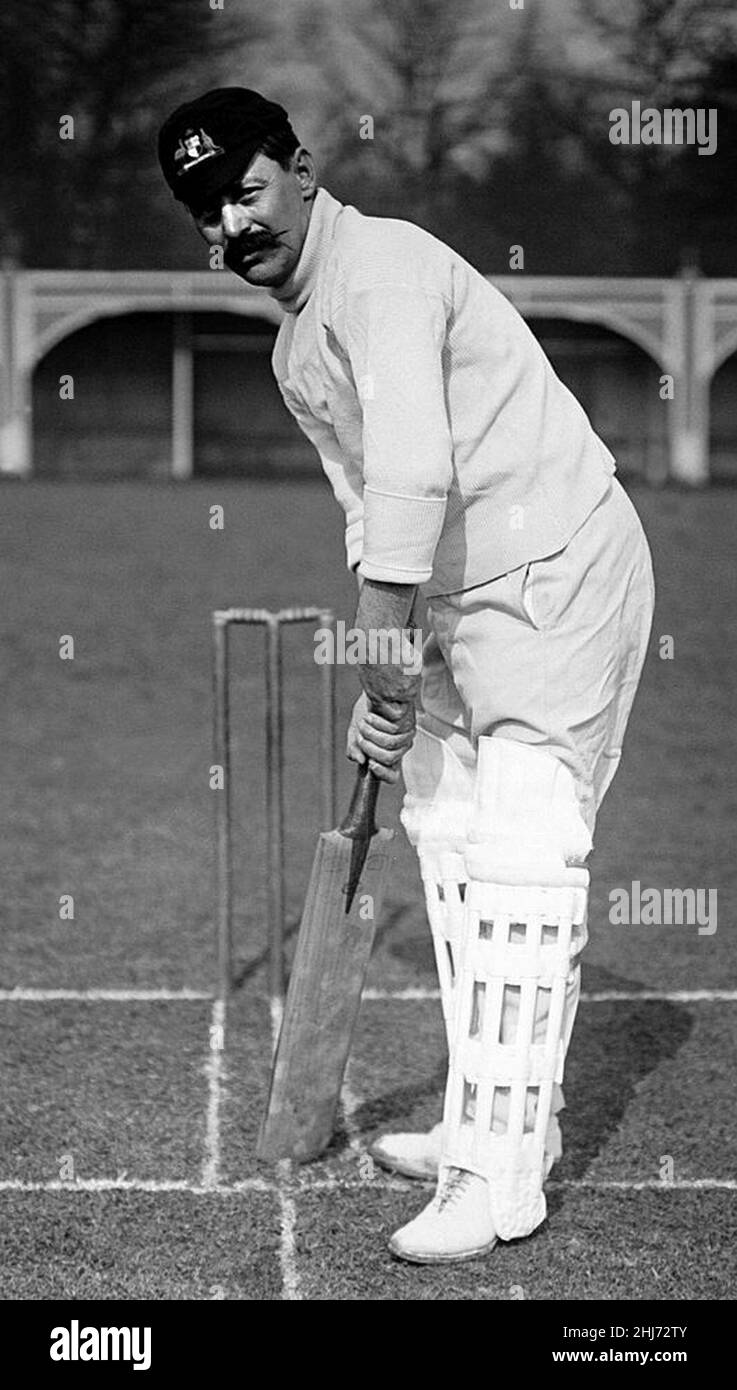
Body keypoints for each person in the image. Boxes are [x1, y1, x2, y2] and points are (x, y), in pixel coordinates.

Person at [159, 88, 655, 1264]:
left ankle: (500, 1178)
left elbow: (417, 464)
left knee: (523, 862)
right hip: (450, 595)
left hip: (552, 571)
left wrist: (383, 633)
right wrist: (393, 671)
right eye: (204, 212)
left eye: (245, 189)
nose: (231, 225)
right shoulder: (295, 341)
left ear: (304, 168)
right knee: (442, 840)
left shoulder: (378, 272)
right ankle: (482, 1117)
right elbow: (366, 504)